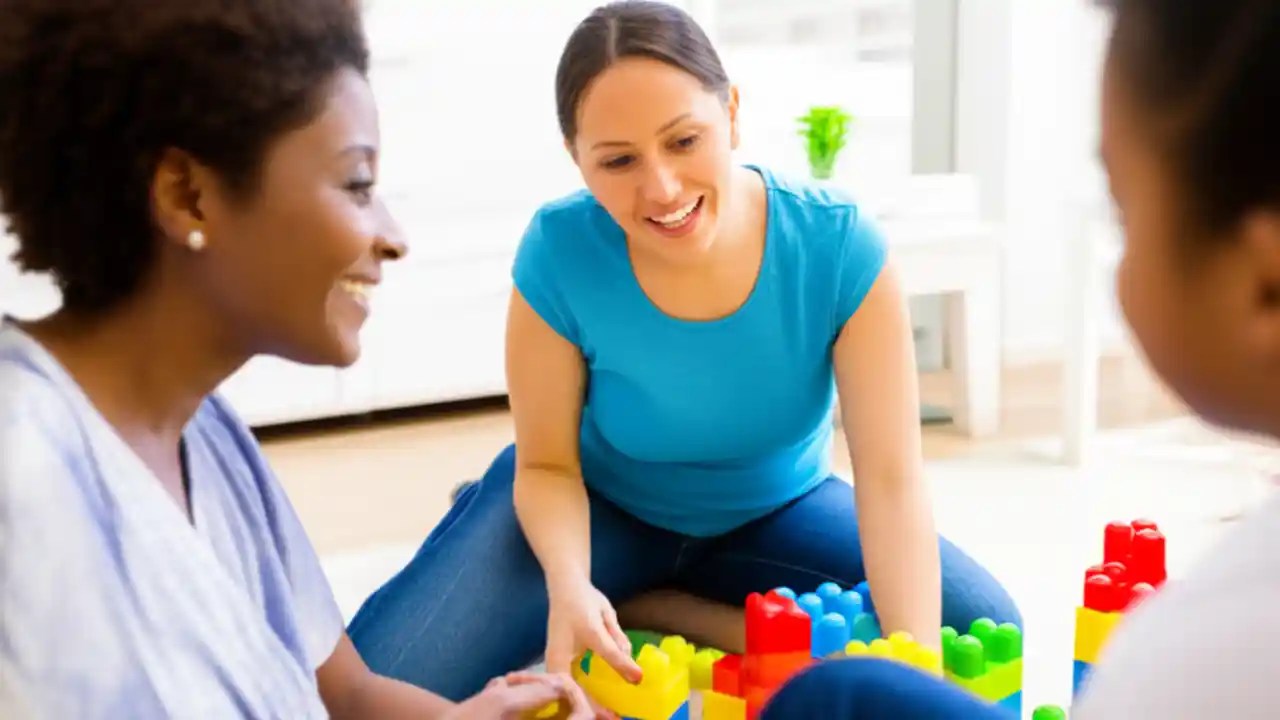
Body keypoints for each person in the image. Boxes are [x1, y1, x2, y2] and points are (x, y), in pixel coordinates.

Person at [347, 0, 1021, 701]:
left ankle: (652, 603)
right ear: (577, 159)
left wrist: (908, 680)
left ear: (731, 113)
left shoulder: (839, 247)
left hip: (774, 513)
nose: (661, 188)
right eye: (617, 160)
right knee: (375, 686)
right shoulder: (559, 251)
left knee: (973, 625)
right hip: (599, 508)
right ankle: (577, 568)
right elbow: (547, 464)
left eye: (683, 141)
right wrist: (569, 585)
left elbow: (890, 481)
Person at [0, 1, 597, 718]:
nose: (393, 236)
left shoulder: (207, 437)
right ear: (187, 195)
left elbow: (344, 693)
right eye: (356, 185)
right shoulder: (26, 482)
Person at [750, 0, 1280, 717]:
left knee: (833, 697)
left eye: (1125, 211)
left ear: (1265, 284)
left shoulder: (1197, 658)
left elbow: (891, 475)